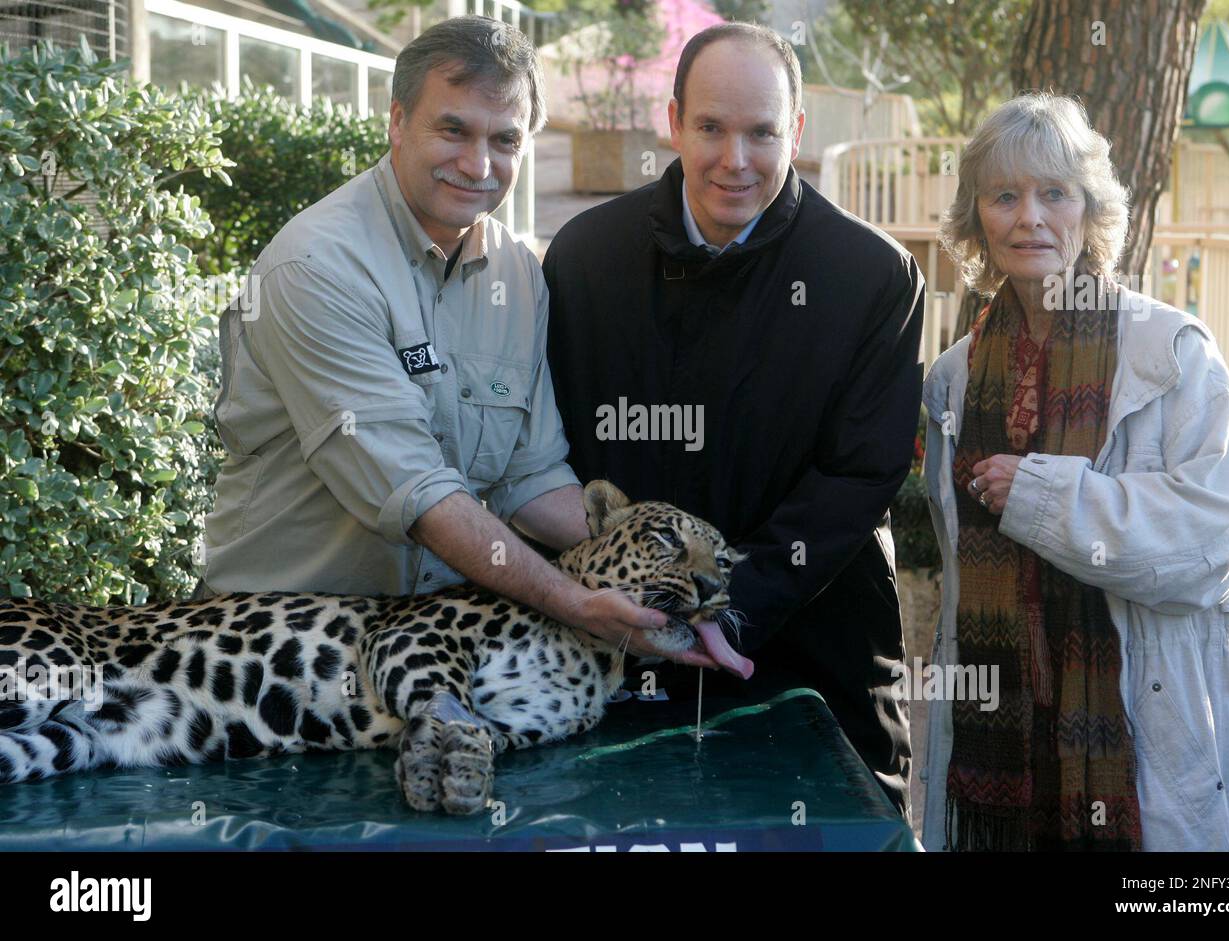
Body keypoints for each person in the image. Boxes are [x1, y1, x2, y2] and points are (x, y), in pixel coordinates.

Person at [200, 16, 722, 670]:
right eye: (453, 129)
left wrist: (667, 567)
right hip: (263, 643)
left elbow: (528, 478)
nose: (479, 165)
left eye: (505, 139)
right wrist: (577, 600)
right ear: (396, 122)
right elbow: (415, 493)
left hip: (416, 644)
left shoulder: (517, 274)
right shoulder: (317, 267)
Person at [543, 22, 925, 818]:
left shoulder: (873, 276)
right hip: (619, 649)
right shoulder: (583, 260)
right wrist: (626, 605)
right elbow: (555, 451)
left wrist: (724, 603)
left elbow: (860, 472)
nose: (735, 159)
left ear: (797, 130)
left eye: (761, 132)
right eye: (712, 128)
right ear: (673, 121)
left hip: (817, 651)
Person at [919, 93, 1229, 851]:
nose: (1029, 218)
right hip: (999, 760)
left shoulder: (1171, 353)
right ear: (976, 217)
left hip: (1145, 747)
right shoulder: (954, 379)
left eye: (1054, 193)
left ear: (1090, 209)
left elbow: (1210, 549)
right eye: (1004, 196)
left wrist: (1046, 497)